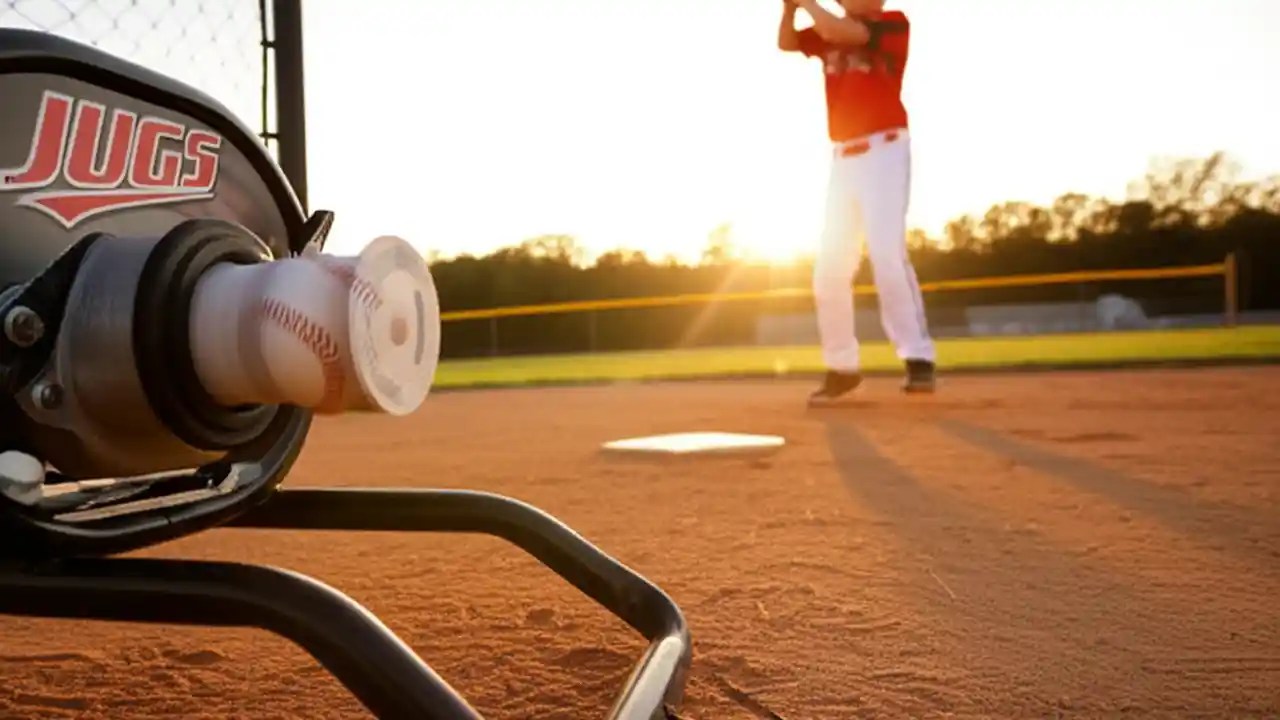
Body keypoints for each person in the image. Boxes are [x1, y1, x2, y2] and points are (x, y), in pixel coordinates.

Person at [778, 0, 937, 405]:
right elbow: (786, 43)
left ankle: (918, 358)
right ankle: (841, 368)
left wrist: (807, 3)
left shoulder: (891, 24)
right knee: (829, 268)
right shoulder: (830, 27)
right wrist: (788, 9)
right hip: (842, 158)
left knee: (886, 254)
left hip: (885, 150)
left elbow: (841, 34)